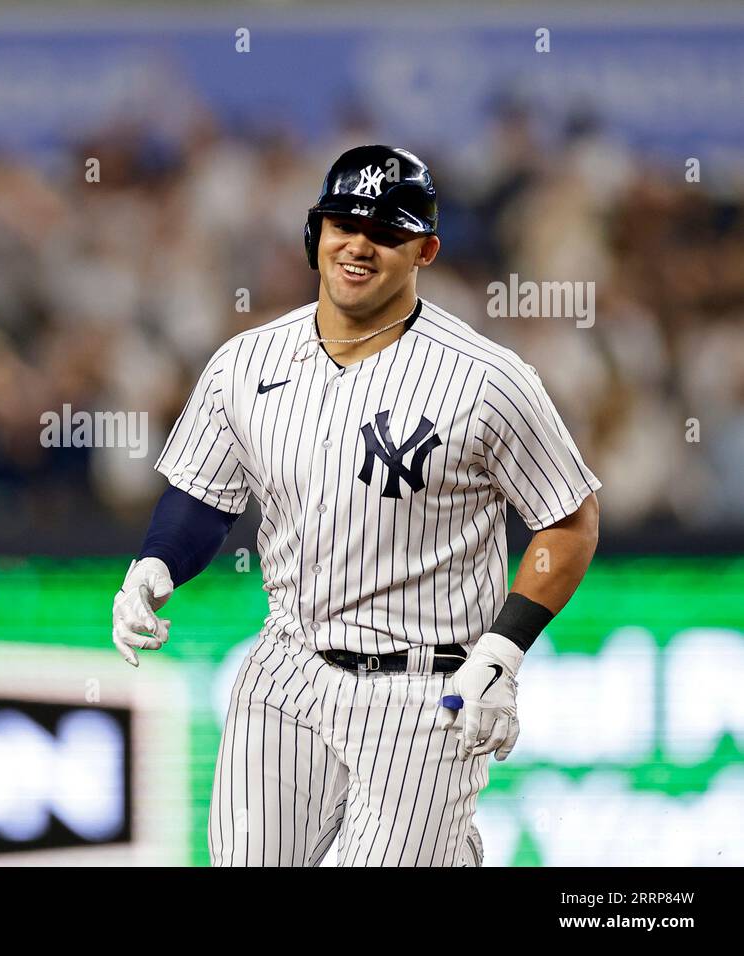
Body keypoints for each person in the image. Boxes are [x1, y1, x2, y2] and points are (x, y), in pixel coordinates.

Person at [112, 146, 601, 866]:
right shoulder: (246, 363)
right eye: (343, 222)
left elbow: (568, 518)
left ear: (425, 249)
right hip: (285, 670)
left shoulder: (487, 378)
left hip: (426, 692)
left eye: (386, 230)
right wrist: (156, 564)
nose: (359, 244)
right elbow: (202, 496)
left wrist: (503, 649)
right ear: (315, 232)